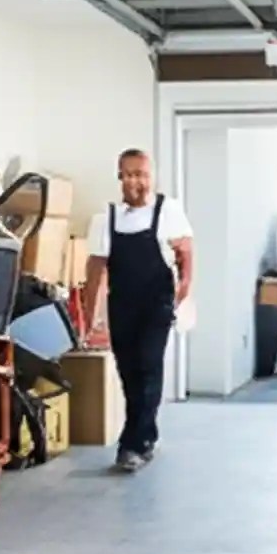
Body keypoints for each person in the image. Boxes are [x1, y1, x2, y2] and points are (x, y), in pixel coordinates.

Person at [84, 149, 194, 473]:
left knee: (148, 366)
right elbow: (95, 272)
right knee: (129, 372)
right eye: (129, 174)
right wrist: (92, 319)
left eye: (142, 174)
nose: (137, 181)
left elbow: (186, 254)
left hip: (157, 302)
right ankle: (147, 433)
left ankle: (133, 444)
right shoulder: (106, 220)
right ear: (120, 177)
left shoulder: (168, 211)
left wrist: (183, 290)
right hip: (123, 304)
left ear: (152, 176)